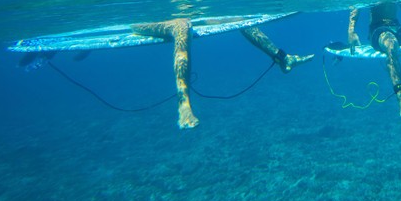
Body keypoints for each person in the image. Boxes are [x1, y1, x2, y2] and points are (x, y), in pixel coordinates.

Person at [132, 18, 313, 129]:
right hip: (148, 19)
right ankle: (184, 105)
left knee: (237, 19)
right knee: (182, 26)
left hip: (184, 12)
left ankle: (283, 58)